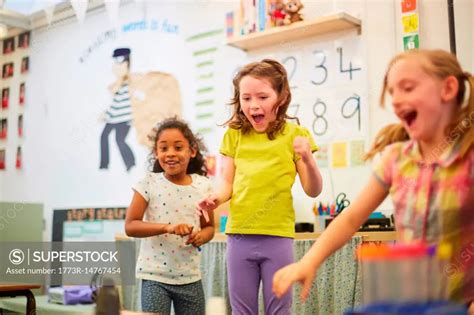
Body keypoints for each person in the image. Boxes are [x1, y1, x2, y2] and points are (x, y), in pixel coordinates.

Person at [272, 49, 474, 313]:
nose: (397, 100)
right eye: (392, 92)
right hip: (412, 302)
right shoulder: (396, 159)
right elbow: (350, 218)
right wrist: (308, 262)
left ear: (448, 88)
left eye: (408, 88)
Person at [196, 59, 323, 314]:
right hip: (239, 235)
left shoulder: (296, 135)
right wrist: (215, 198)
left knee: (279, 310)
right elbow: (227, 183)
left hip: (278, 236)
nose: (253, 105)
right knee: (243, 311)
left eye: (263, 97)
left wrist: (308, 159)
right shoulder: (234, 135)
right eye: (246, 98)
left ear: (281, 96)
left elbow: (313, 190)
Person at [125, 117, 214, 315]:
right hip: (154, 277)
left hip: (190, 277)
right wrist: (168, 227)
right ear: (156, 153)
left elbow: (209, 228)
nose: (170, 153)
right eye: (164, 148)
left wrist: (202, 236)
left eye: (178, 147)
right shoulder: (148, 183)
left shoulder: (203, 186)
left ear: (191, 151)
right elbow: (131, 225)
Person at [99, 48, 135, 171]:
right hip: (114, 118)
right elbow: (115, 103)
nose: (115, 66)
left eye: (117, 63)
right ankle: (104, 165)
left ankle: (130, 163)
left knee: (119, 140)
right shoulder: (118, 84)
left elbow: (118, 105)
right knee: (104, 136)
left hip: (123, 119)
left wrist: (106, 115)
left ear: (125, 64)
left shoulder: (127, 84)